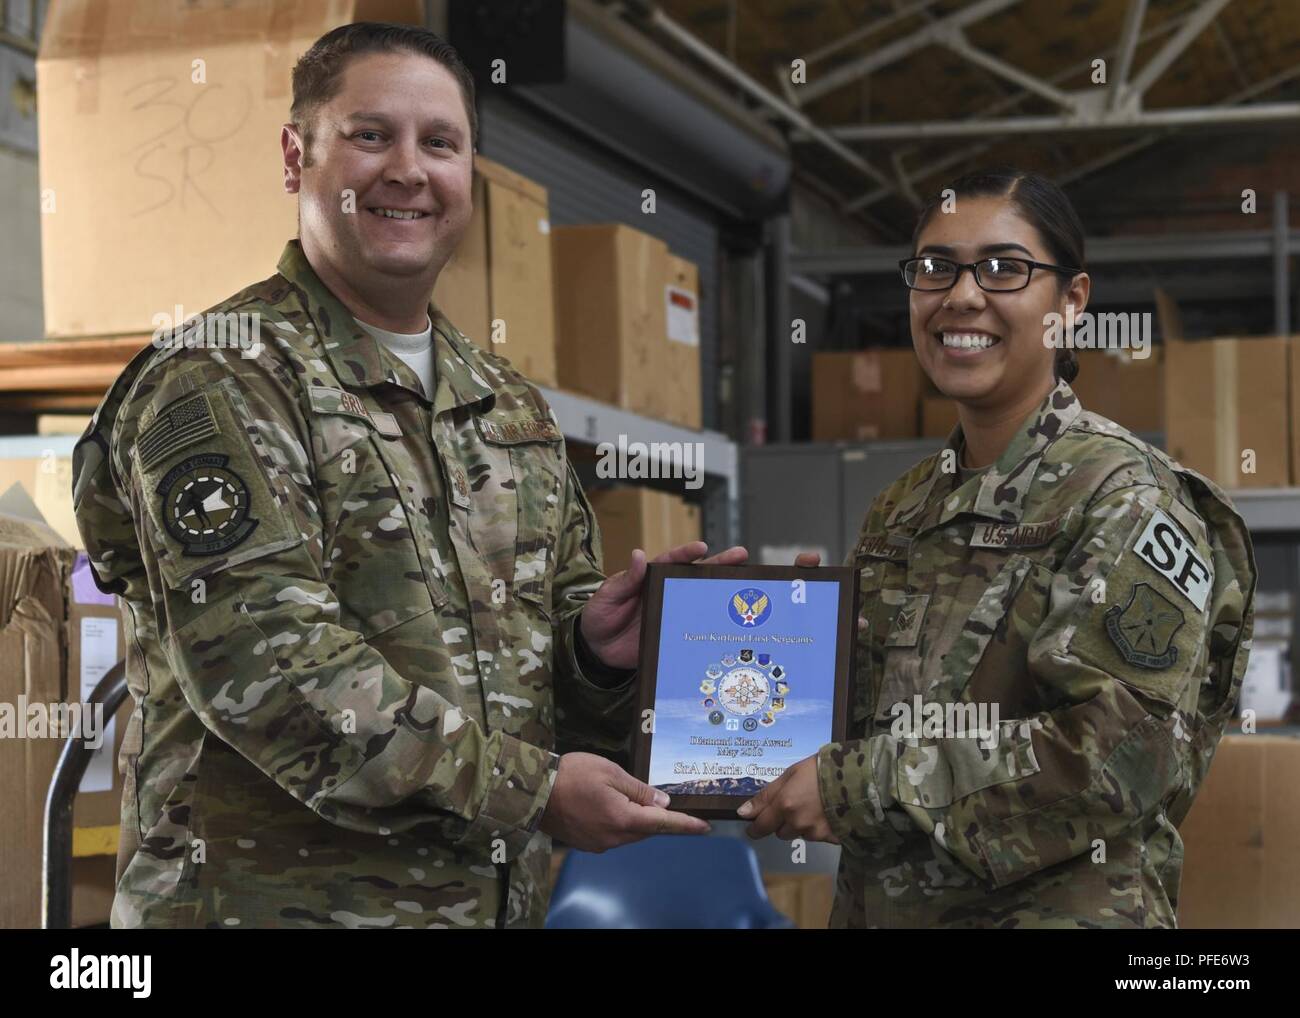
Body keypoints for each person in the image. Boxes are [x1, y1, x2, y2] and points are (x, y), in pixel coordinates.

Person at [71, 22, 735, 930]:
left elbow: (541, 680)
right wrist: (533, 790)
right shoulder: (223, 377)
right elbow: (274, 673)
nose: (408, 171)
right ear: (296, 156)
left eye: (441, 143)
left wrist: (595, 651)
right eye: (370, 135)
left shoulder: (507, 406)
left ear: (470, 175)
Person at [740, 167, 1256, 929]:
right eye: (935, 267)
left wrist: (856, 785)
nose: (962, 296)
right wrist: (773, 646)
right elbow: (880, 725)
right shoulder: (903, 509)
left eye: (1004, 268)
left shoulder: (1125, 496)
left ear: (1070, 303)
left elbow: (1122, 754)